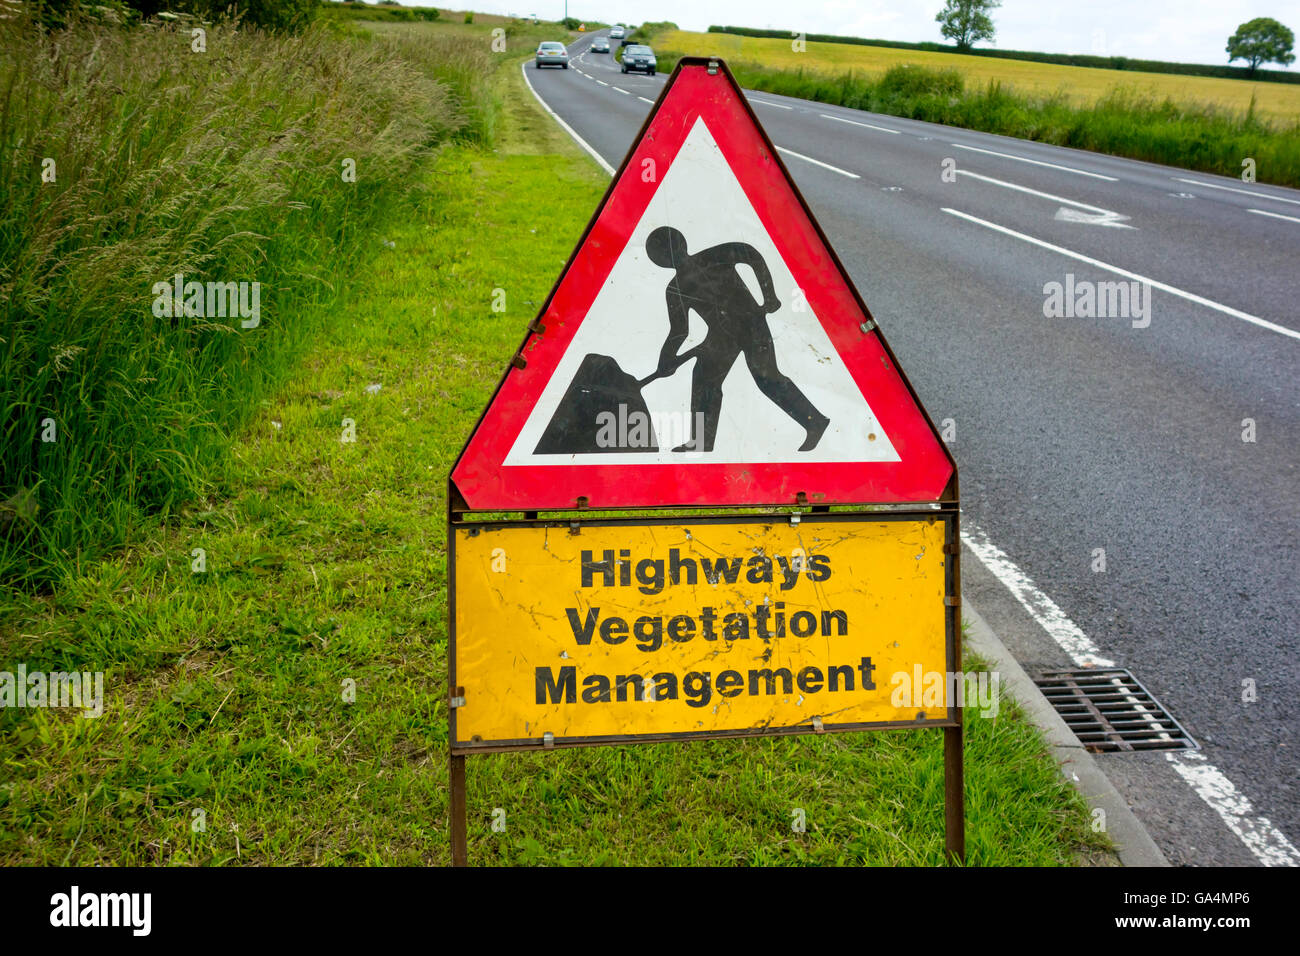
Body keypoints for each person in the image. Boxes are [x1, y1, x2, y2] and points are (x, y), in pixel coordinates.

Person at [645, 226, 829, 452]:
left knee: (766, 378)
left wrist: (769, 294)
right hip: (722, 336)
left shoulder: (712, 258)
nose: (669, 256)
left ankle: (815, 422)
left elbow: (750, 254)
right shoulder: (675, 289)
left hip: (751, 323)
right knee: (704, 380)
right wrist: (666, 359)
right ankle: (701, 442)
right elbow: (679, 331)